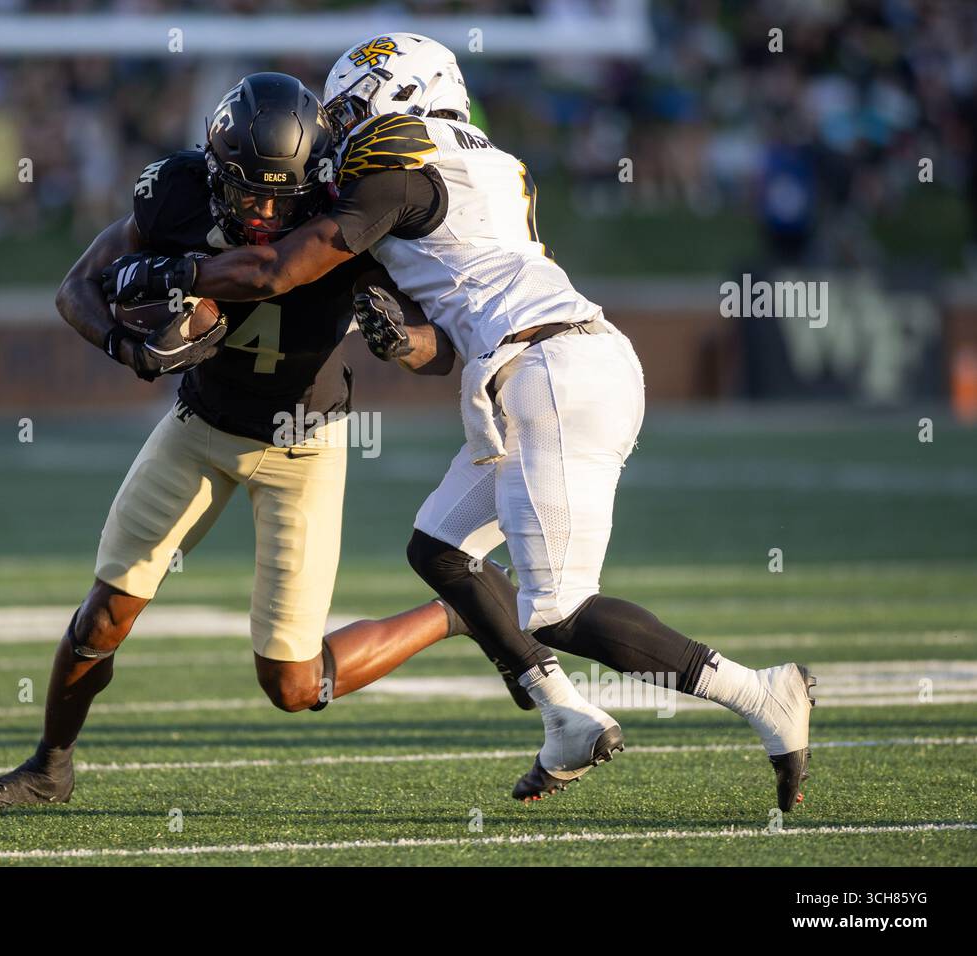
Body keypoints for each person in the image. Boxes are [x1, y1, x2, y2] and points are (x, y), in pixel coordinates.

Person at [107, 37, 816, 811]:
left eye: (350, 108)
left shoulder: (401, 175)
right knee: (441, 550)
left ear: (404, 94)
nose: (338, 130)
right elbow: (445, 336)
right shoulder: (493, 166)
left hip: (552, 372)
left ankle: (760, 692)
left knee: (559, 608)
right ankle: (562, 715)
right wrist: (402, 339)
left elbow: (281, 270)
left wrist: (177, 272)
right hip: (536, 366)